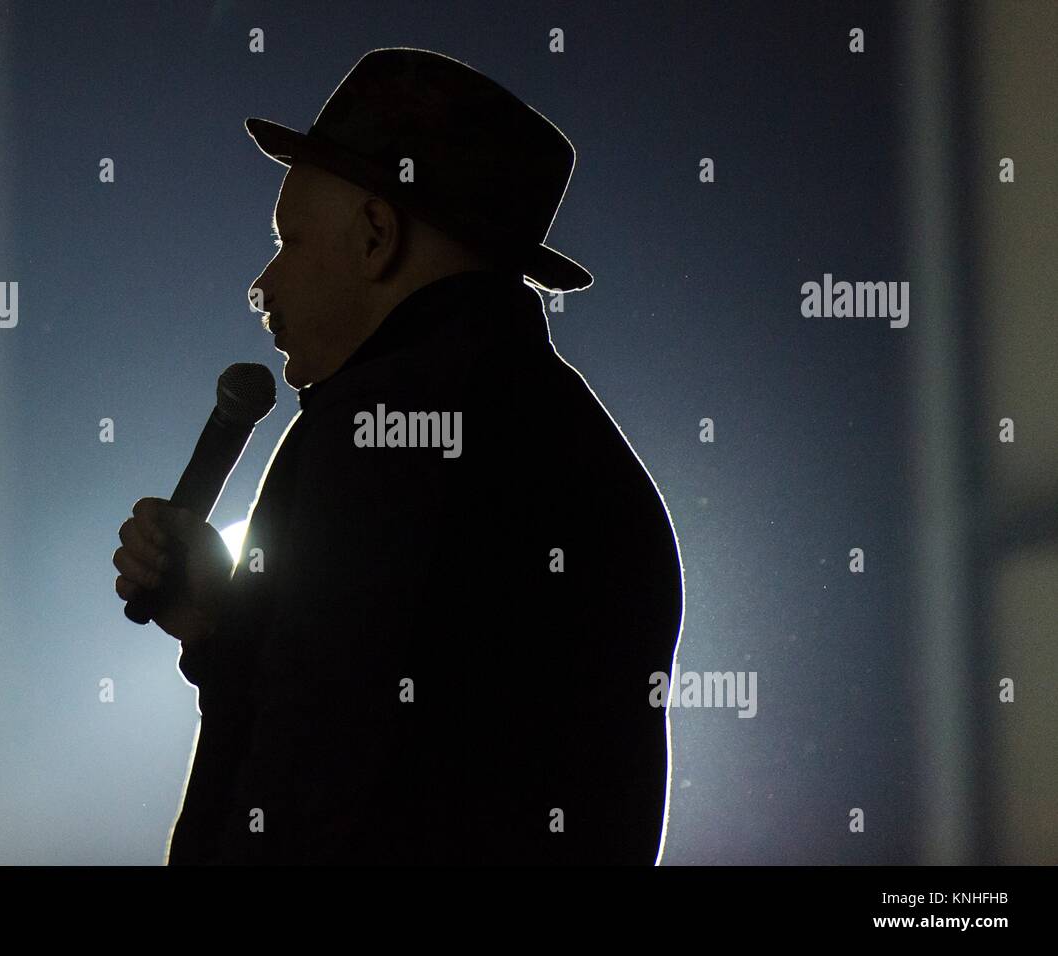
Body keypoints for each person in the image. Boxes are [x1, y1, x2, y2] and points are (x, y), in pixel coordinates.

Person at [112, 48, 683, 864]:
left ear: (377, 236)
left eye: (289, 239)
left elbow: (315, 785)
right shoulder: (588, 456)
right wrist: (220, 628)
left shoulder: (380, 424)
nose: (265, 284)